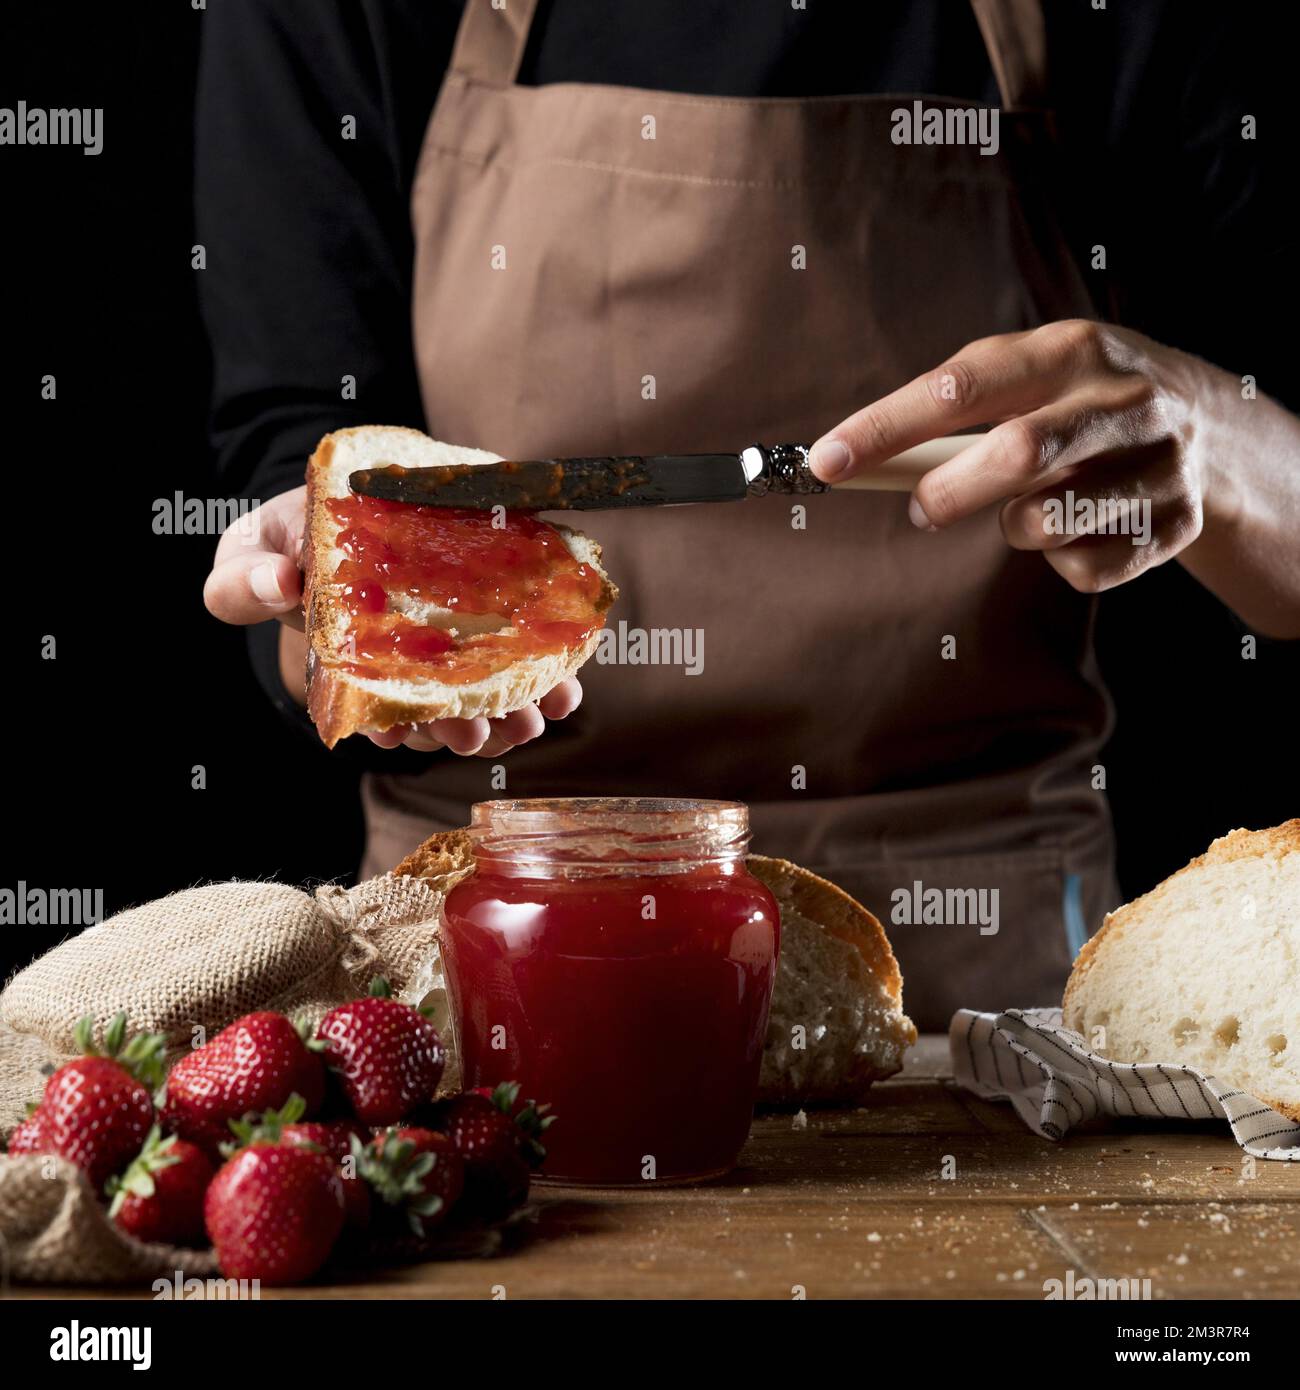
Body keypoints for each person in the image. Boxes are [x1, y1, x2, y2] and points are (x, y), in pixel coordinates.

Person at [199, 0, 1296, 1027]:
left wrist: (1213, 431)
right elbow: (290, 464)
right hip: (486, 959)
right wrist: (342, 619)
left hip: (988, 997)